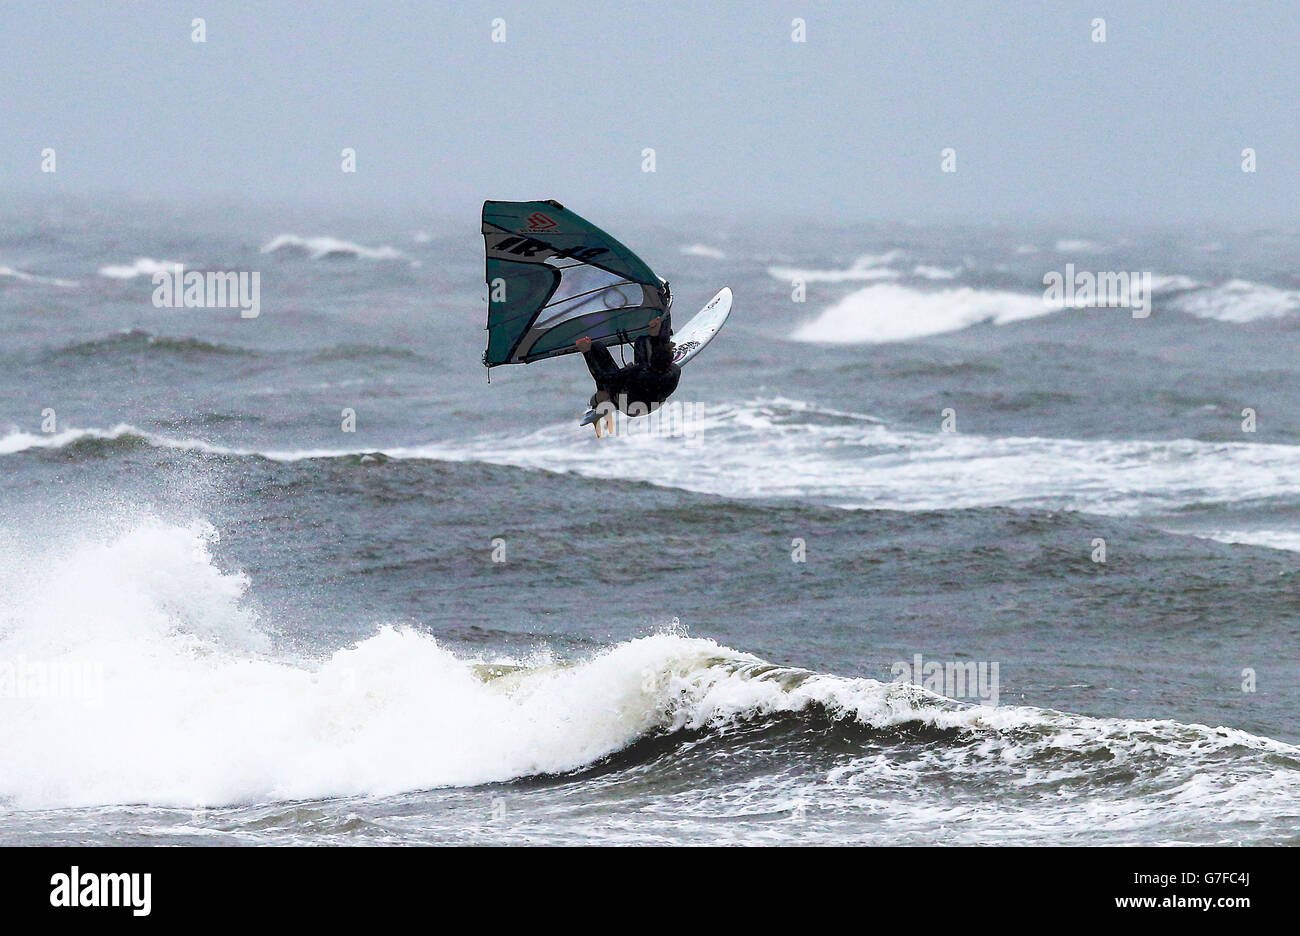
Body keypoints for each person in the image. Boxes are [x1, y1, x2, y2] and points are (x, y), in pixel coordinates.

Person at [575, 313, 679, 420]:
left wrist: (586, 352)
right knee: (641, 341)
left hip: (631, 407)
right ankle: (654, 334)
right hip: (654, 403)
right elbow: (661, 351)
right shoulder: (675, 371)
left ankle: (603, 395)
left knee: (597, 347)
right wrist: (655, 336)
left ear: (651, 360)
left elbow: (602, 377)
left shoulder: (636, 373)